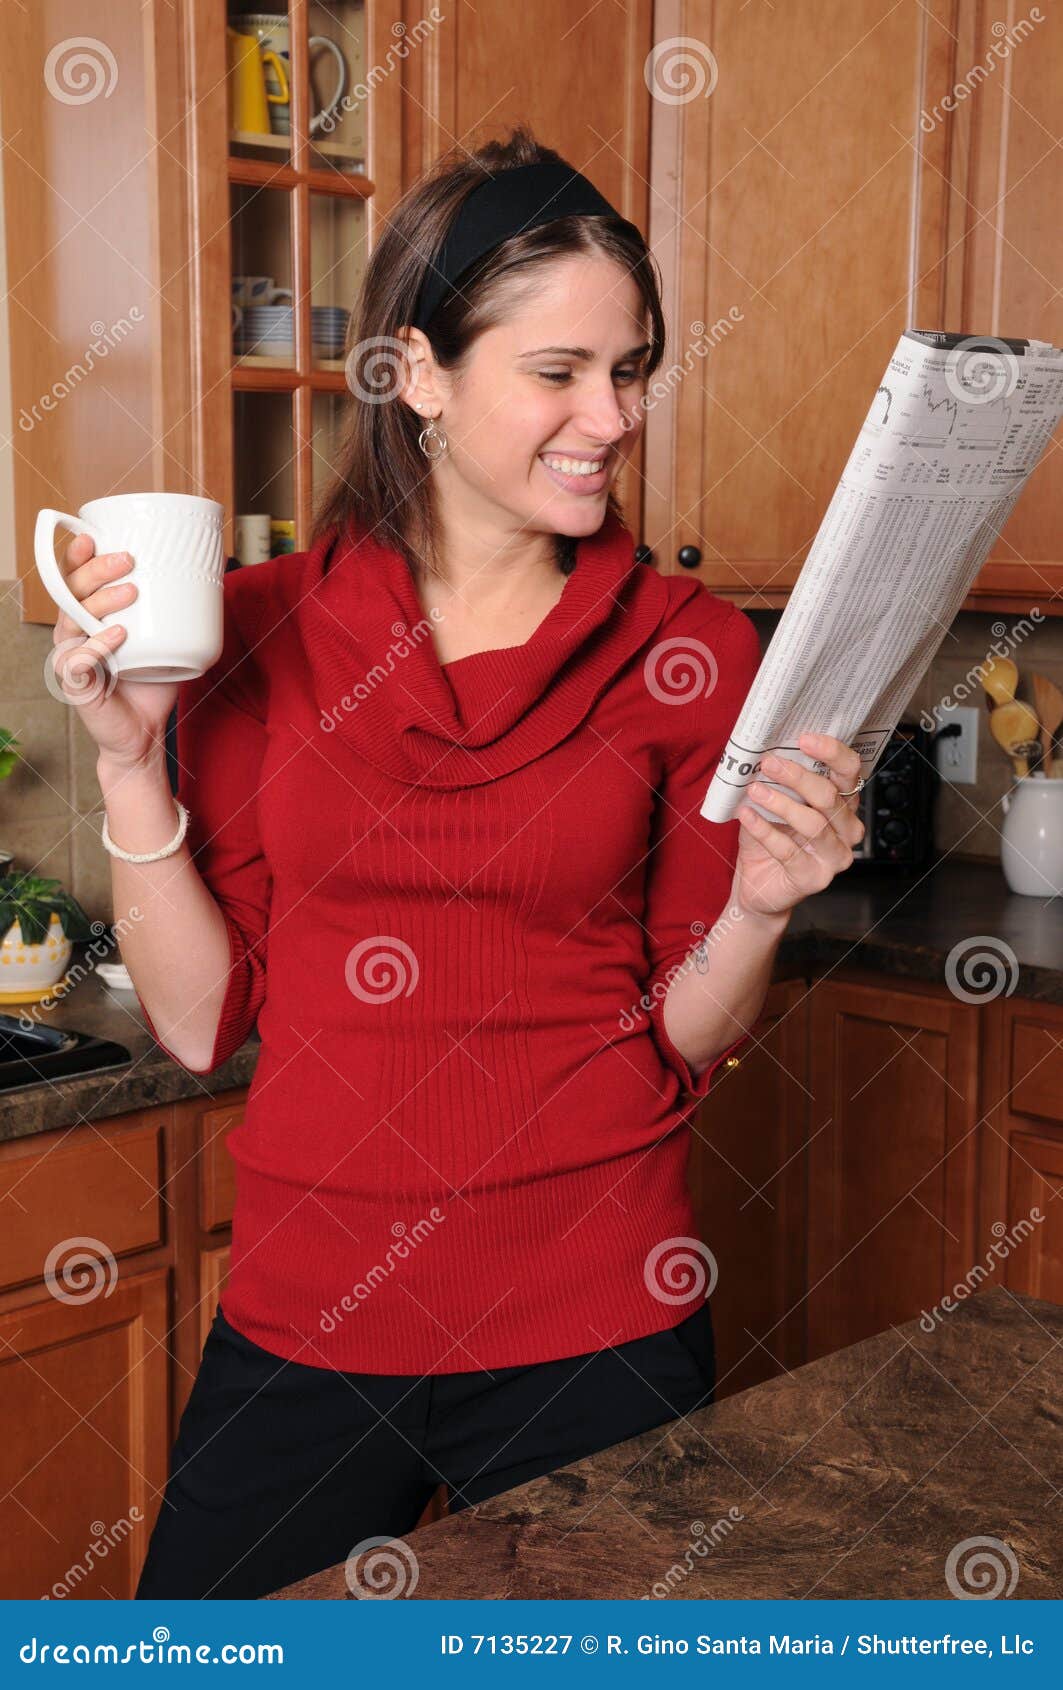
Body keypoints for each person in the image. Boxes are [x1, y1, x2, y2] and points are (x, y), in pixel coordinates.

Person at [53, 127, 865, 1600]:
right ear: (419, 375)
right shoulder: (253, 630)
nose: (611, 417)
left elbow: (685, 1034)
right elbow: (197, 1021)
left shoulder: (690, 650)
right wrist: (127, 758)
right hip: (311, 1309)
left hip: (597, 1315)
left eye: (630, 370)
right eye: (559, 372)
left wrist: (758, 906)